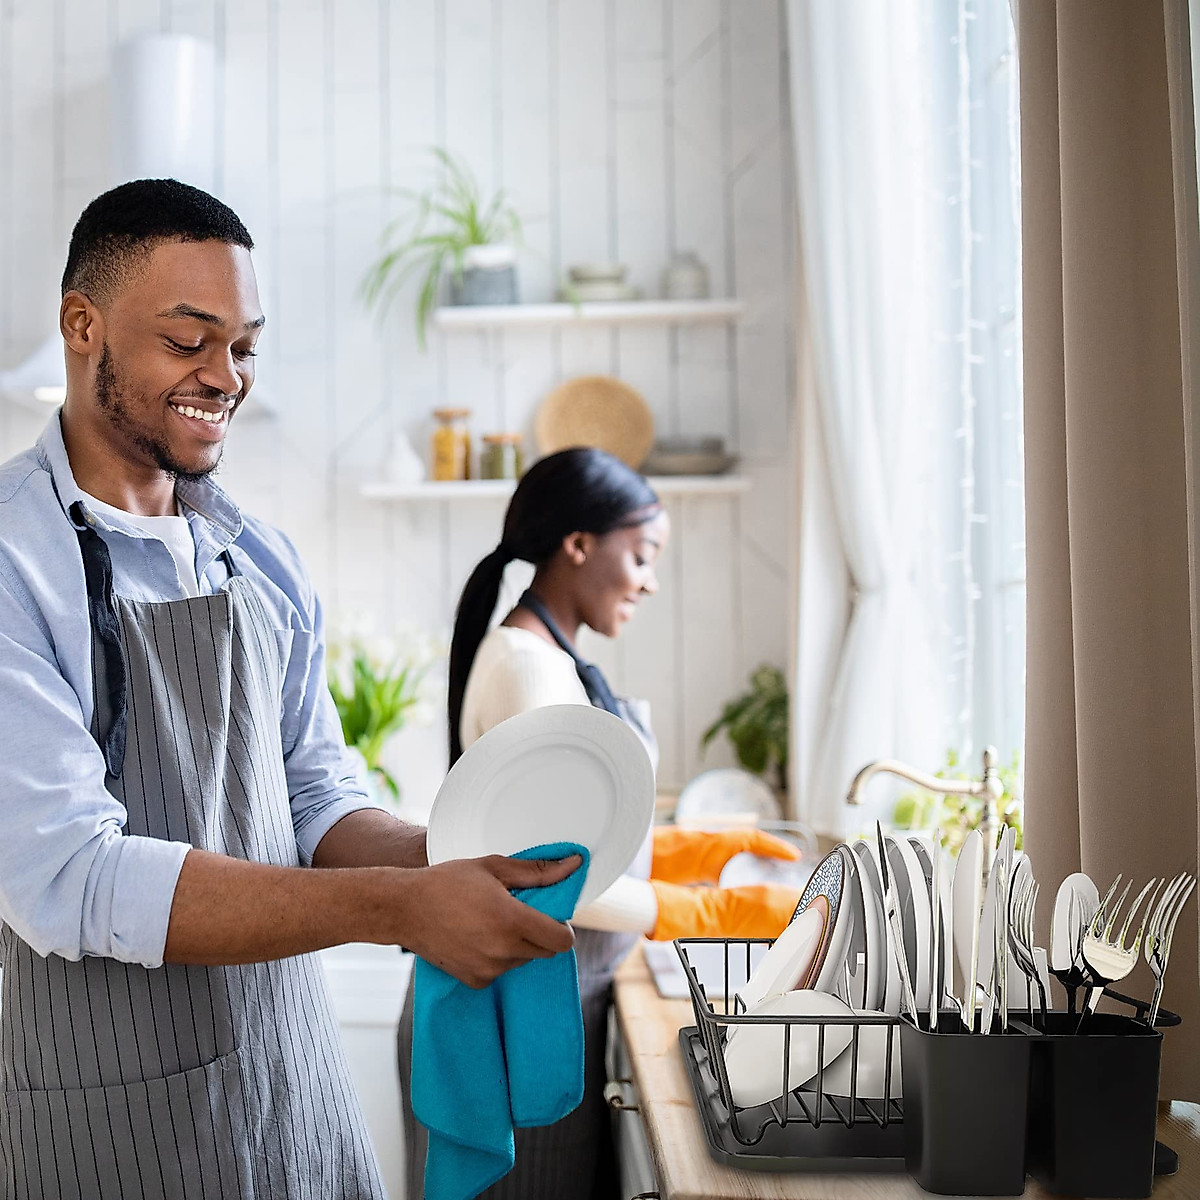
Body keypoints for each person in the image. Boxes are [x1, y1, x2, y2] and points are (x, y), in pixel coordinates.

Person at [0, 179, 582, 1199]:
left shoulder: (258, 558)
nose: (225, 376)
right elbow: (68, 876)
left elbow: (314, 793)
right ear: (82, 327)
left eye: (244, 347)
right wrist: (400, 906)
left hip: (295, 1103)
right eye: (188, 341)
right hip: (112, 1128)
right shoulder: (16, 560)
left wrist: (448, 855)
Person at [398, 447, 805, 1200]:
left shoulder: (550, 658)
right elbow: (550, 873)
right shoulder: (529, 668)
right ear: (579, 544)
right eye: (642, 556)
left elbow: (571, 833)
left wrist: (687, 851)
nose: (650, 581)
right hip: (511, 1017)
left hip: (543, 995)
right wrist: (701, 911)